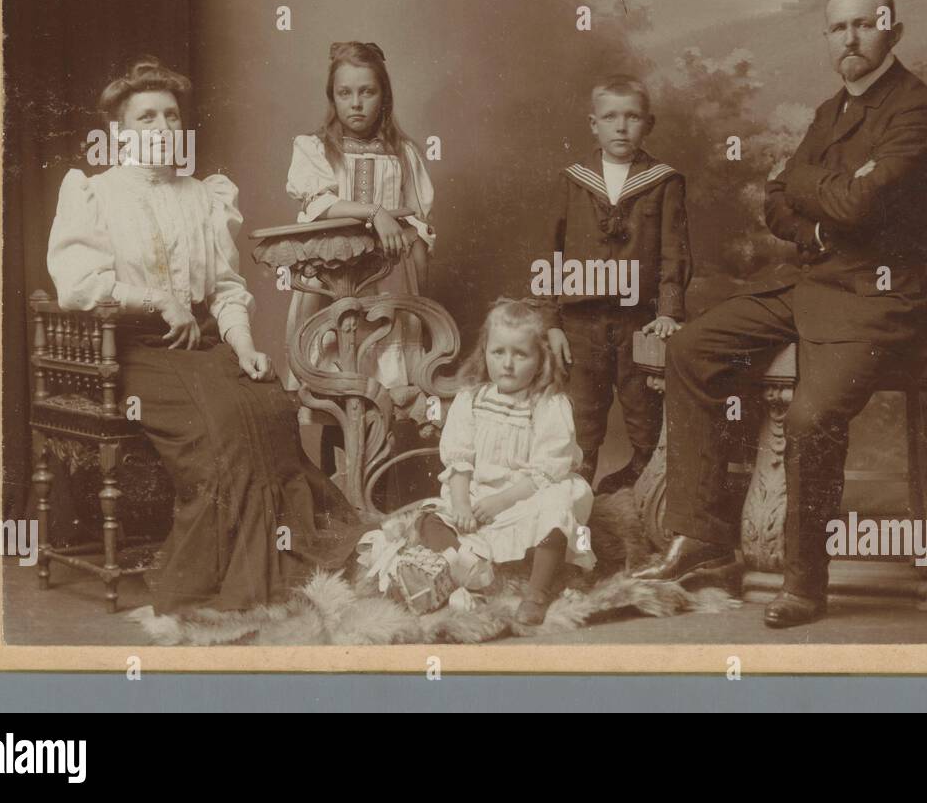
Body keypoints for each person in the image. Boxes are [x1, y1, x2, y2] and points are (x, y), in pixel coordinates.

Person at [632, 0, 927, 629]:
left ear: (893, 29)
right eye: (838, 29)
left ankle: (805, 584)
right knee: (691, 349)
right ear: (828, 38)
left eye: (865, 25)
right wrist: (818, 214)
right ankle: (702, 533)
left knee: (809, 419)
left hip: (880, 300)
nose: (850, 39)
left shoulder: (919, 111)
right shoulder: (830, 111)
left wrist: (810, 188)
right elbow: (778, 201)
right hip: (814, 279)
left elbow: (854, 205)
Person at [47, 56, 360, 615]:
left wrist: (243, 343)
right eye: (147, 118)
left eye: (170, 116)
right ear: (119, 131)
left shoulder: (203, 195)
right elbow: (78, 285)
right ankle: (222, 584)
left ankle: (287, 568)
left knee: (270, 406)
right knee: (222, 432)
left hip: (201, 344)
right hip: (129, 353)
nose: (163, 128)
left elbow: (225, 288)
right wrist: (158, 299)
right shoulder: (94, 193)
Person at [545, 75, 692, 494]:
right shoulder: (573, 180)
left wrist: (668, 311)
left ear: (649, 123)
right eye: (610, 117)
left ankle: (644, 494)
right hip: (580, 322)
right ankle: (573, 507)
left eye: (632, 117)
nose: (621, 126)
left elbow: (674, 252)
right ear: (594, 124)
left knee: (645, 414)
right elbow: (548, 252)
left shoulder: (663, 182)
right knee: (582, 423)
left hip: (639, 322)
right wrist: (551, 320)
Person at [413, 299, 596, 625]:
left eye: (520, 354)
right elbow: (459, 458)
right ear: (485, 351)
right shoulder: (470, 399)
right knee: (429, 519)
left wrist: (501, 501)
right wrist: (461, 504)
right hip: (477, 493)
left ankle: (536, 592)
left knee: (564, 499)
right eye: (498, 352)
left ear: (540, 359)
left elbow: (547, 469)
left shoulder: (549, 404)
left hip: (524, 494)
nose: (507, 364)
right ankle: (467, 570)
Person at [284, 41, 436, 423]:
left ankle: (379, 481)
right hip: (333, 283)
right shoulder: (314, 149)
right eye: (345, 93)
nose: (356, 103)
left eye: (367, 92)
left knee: (385, 382)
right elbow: (319, 204)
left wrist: (411, 239)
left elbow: (419, 217)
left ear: (384, 96)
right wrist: (376, 213)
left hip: (387, 283)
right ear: (332, 97)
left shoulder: (404, 152)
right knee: (339, 379)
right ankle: (336, 479)